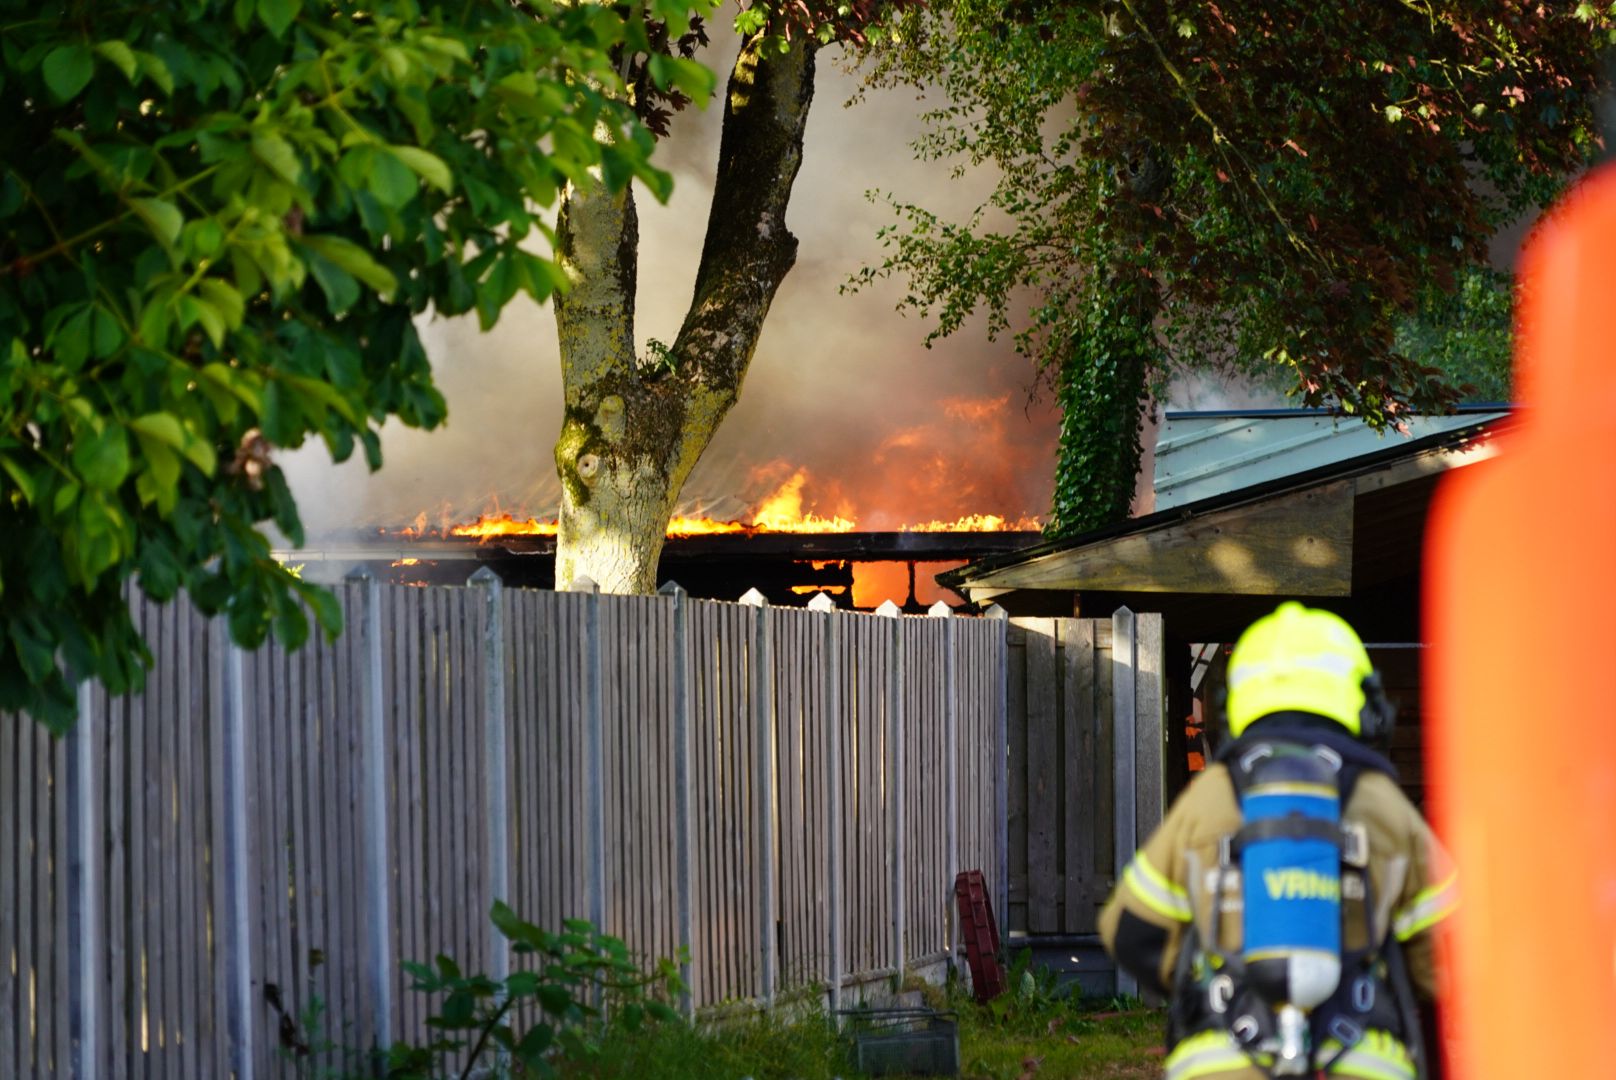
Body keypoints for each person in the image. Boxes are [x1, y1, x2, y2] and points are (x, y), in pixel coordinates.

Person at [1099, 602, 1456, 1080]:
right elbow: (1450, 956)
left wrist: (1211, 990)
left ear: (1233, 706)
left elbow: (1131, 932)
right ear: (1366, 703)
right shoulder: (1385, 805)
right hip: (1362, 1065)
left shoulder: (1208, 797)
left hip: (1219, 1066)